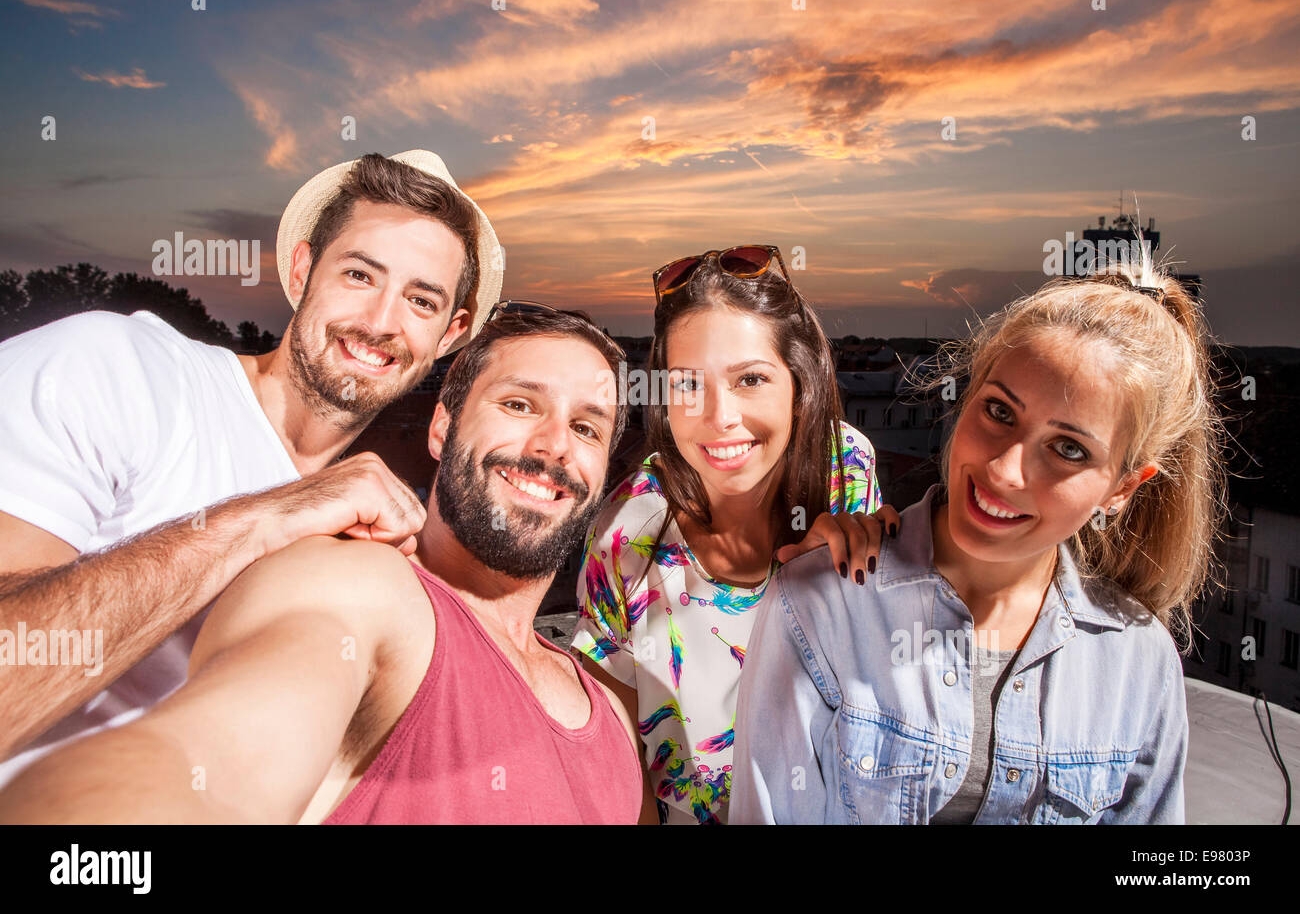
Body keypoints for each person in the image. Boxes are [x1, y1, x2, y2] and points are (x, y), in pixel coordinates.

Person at [0, 305, 642, 824]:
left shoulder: (613, 719)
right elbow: (191, 774)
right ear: (443, 428)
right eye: (520, 404)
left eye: (587, 428)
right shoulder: (360, 590)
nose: (555, 445)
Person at [0, 149, 504, 787]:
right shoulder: (115, 366)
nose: (382, 322)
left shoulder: (365, 528)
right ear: (302, 269)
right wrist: (262, 520)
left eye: (422, 301)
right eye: (358, 275)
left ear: (451, 333)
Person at [731, 266, 1225, 824]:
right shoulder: (822, 602)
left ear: (1122, 488)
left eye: (1067, 449)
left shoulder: (1140, 659)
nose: (1003, 469)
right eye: (998, 412)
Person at [571, 245, 896, 824]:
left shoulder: (845, 470)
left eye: (750, 379)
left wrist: (836, 580)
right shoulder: (628, 530)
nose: (718, 416)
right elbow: (614, 752)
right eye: (687, 383)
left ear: (801, 383)